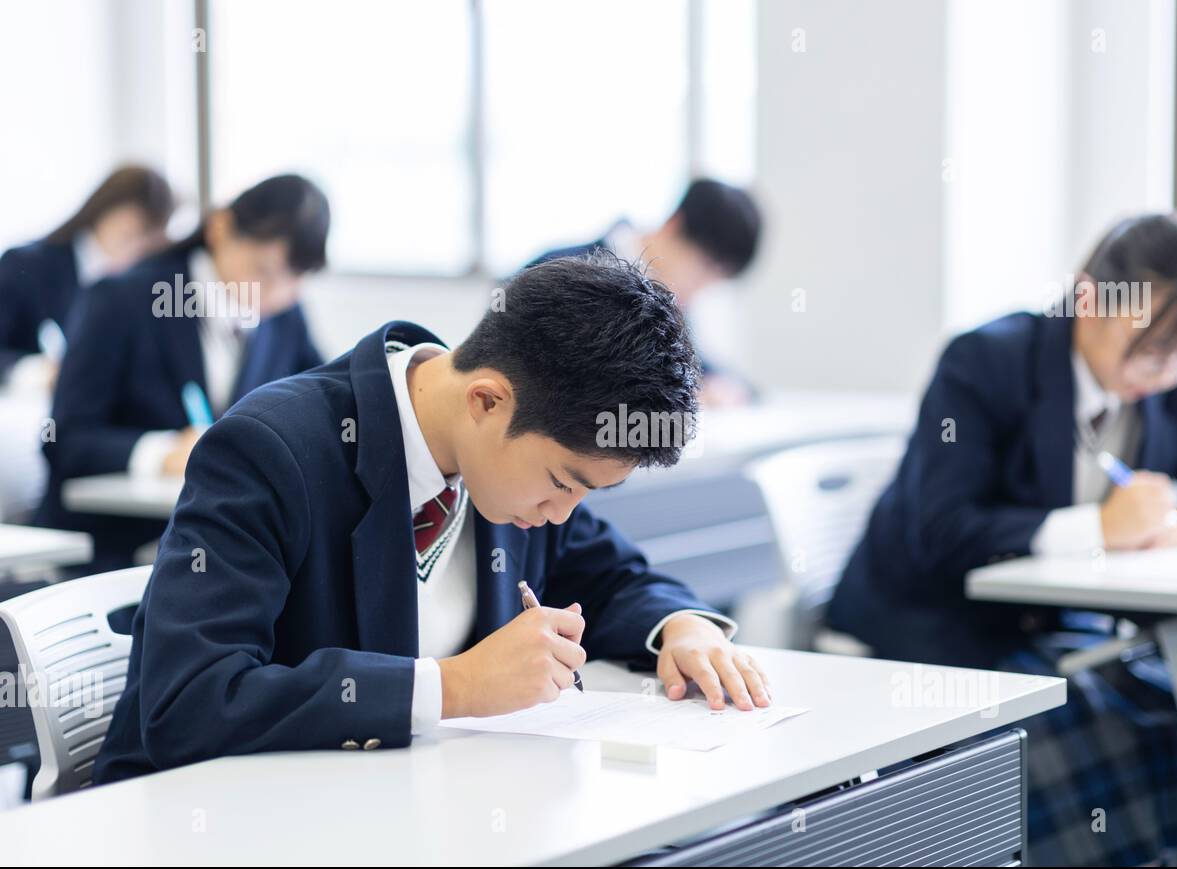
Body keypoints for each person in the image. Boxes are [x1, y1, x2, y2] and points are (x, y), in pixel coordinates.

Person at [93, 252, 771, 784]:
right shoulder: (272, 449)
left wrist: (683, 628)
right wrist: (457, 686)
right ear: (485, 400)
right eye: (564, 483)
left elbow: (615, 576)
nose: (564, 512)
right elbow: (190, 704)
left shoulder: (517, 460)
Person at [827, 212, 1177, 865]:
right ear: (1087, 298)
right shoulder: (986, 363)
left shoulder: (1170, 387)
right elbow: (942, 531)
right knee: (1085, 719)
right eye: (1152, 347)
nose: (1164, 371)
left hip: (1046, 628)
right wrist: (1101, 529)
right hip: (935, 623)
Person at [37, 173, 330, 568]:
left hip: (224, 550)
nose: (276, 294)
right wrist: (163, 452)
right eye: (264, 271)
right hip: (111, 553)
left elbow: (323, 403)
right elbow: (64, 441)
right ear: (220, 227)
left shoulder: (284, 314)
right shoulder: (121, 299)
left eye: (295, 283)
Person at [528, 178, 762, 405]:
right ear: (674, 225)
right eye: (705, 268)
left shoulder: (671, 302)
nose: (701, 288)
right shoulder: (555, 269)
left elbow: (704, 368)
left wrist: (725, 388)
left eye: (716, 280)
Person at [0, 165, 174, 386]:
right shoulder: (25, 265)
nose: (138, 243)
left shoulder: (148, 285)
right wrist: (37, 372)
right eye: (132, 231)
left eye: (150, 236)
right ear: (103, 208)